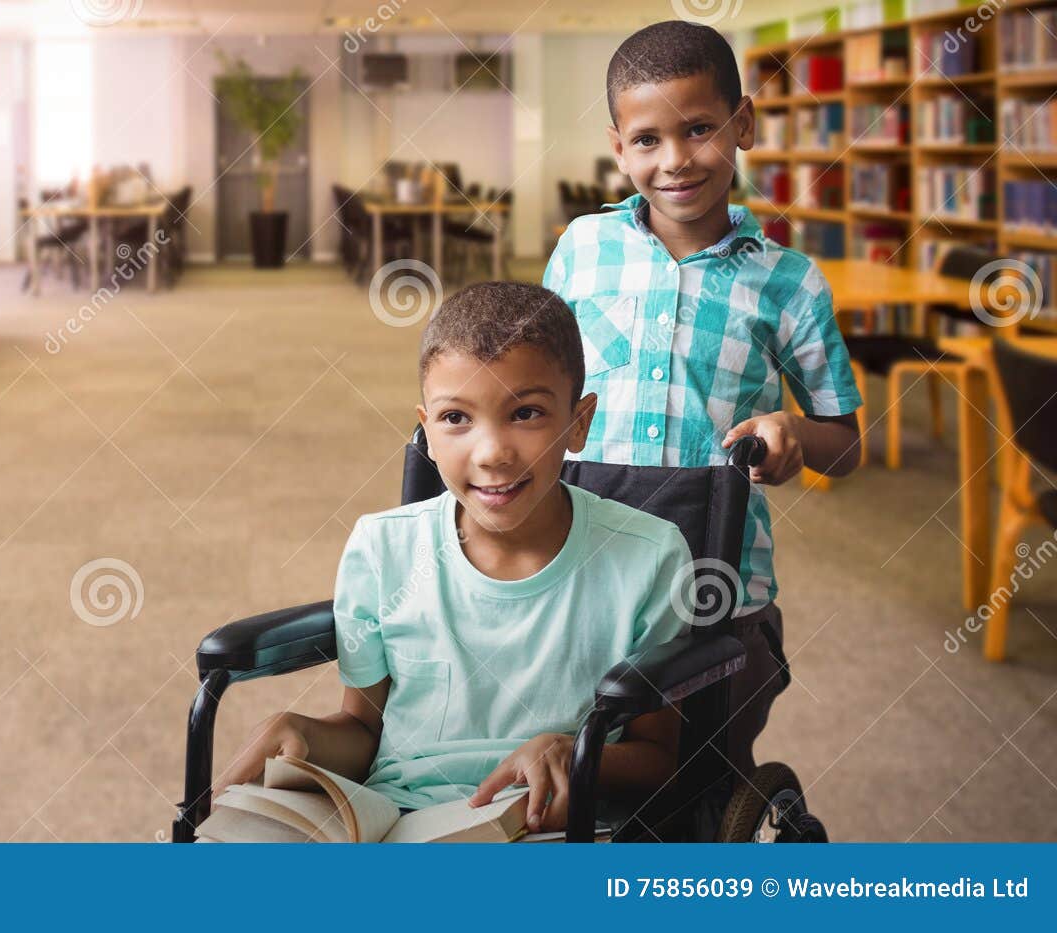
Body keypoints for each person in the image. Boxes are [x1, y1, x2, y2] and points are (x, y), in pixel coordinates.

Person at [214, 282, 694, 833]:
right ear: (427, 429)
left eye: (527, 413)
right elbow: (362, 730)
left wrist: (575, 754)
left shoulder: (648, 556)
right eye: (456, 419)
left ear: (579, 422)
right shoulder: (382, 548)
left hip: (545, 826)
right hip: (395, 817)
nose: (491, 453)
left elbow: (660, 759)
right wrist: (301, 734)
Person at [544, 20, 863, 774]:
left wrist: (792, 430)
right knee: (573, 769)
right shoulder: (582, 251)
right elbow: (536, 390)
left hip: (718, 585)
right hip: (583, 568)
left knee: (697, 776)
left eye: (698, 130)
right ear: (618, 147)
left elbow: (845, 441)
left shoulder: (788, 282)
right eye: (648, 140)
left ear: (742, 123)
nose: (676, 160)